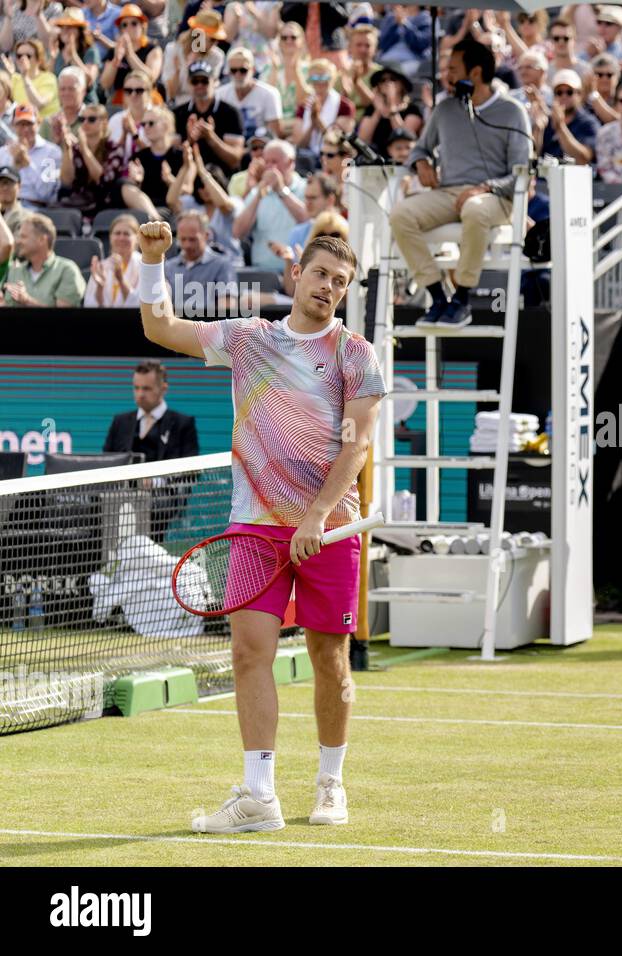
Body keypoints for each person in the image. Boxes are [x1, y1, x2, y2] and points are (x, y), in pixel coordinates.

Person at [136, 220, 386, 835]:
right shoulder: (249, 338)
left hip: (329, 529)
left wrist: (316, 515)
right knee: (250, 653)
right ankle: (258, 795)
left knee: (331, 660)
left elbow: (356, 446)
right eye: (321, 274)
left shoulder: (356, 354)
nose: (328, 287)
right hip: (252, 525)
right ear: (296, 275)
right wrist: (150, 260)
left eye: (340, 282)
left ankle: (331, 781)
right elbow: (159, 327)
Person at [391, 38, 530, 330]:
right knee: (401, 215)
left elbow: (522, 174)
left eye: (453, 69)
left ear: (476, 72)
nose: (446, 75)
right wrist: (422, 162)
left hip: (496, 197)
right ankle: (439, 295)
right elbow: (419, 149)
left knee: (475, 209)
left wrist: (485, 187)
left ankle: (463, 297)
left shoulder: (512, 111)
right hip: (450, 194)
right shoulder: (444, 109)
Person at [232, 138, 309, 271]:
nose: (270, 167)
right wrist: (257, 196)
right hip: (262, 271)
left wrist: (281, 190)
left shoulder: (306, 188)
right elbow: (238, 232)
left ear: (290, 163)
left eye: (275, 162)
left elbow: (307, 220)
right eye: (266, 162)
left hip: (298, 271)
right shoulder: (257, 192)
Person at [103, 360, 200, 461]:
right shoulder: (119, 422)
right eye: (136, 388)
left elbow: (191, 470)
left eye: (146, 388)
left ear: (163, 389)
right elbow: (105, 463)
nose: (140, 394)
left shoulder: (183, 424)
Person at [167, 143, 243, 258]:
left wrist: (203, 172)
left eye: (209, 185)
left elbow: (224, 205)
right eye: (201, 186)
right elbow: (171, 201)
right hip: (196, 266)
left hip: (229, 264)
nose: (205, 190)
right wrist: (185, 167)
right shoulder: (191, 203)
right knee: (178, 275)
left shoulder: (233, 201)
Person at [174, 61, 246, 177]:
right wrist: (190, 140)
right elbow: (172, 157)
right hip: (188, 177)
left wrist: (211, 138)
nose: (199, 85)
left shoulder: (230, 113)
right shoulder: (178, 113)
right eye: (195, 81)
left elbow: (235, 160)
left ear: (215, 82)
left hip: (222, 178)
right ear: (188, 84)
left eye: (204, 81)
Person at [165, 208, 239, 315]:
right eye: (183, 239)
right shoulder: (168, 267)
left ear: (206, 235)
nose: (187, 245)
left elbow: (227, 310)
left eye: (192, 239)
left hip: (208, 329)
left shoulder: (223, 266)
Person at [2, 213, 85, 305]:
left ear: (42, 239)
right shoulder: (15, 271)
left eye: (24, 237)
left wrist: (27, 301)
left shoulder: (67, 270)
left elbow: (63, 317)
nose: (18, 241)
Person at [216, 46, 285, 143]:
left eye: (243, 70)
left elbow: (275, 134)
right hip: (230, 147)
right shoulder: (220, 94)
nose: (238, 75)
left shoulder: (269, 94)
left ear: (253, 70)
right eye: (233, 70)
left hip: (259, 148)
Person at [98, 4, 162, 107]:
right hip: (121, 102)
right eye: (124, 25)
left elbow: (151, 78)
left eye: (134, 23)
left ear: (142, 25)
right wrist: (116, 59)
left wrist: (130, 54)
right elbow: (105, 83)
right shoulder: (115, 51)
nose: (129, 27)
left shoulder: (152, 48)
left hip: (147, 99)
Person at [356, 65, 423, 161]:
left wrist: (392, 106)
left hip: (402, 161)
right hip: (376, 161)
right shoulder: (372, 109)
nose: (387, 83)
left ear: (402, 84)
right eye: (383, 80)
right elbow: (363, 140)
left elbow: (404, 138)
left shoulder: (412, 109)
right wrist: (378, 111)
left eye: (393, 79)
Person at [0, 103, 61, 206]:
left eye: (29, 124)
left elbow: (46, 194)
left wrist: (28, 165)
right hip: (5, 207)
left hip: (34, 207)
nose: (25, 129)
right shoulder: (3, 152)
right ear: (13, 126)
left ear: (39, 123)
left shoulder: (52, 152)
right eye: (20, 124)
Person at [292, 59, 355, 158]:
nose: (320, 82)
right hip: (307, 156)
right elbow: (299, 145)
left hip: (333, 156)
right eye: (315, 78)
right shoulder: (304, 105)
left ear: (333, 78)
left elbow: (337, 142)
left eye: (325, 77)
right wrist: (312, 125)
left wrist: (318, 121)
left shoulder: (345, 106)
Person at [128, 105, 184, 214]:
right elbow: (135, 193)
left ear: (166, 125)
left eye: (151, 123)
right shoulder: (138, 157)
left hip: (172, 210)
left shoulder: (180, 156)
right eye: (143, 124)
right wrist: (137, 182)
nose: (146, 127)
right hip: (144, 211)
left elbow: (188, 193)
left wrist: (169, 180)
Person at [538, 68, 599, 164]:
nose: (564, 96)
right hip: (545, 176)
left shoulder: (589, 122)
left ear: (579, 94)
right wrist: (538, 128)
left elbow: (584, 158)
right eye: (559, 92)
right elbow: (536, 155)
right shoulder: (547, 121)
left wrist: (560, 127)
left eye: (569, 92)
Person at [49, 8, 103, 96]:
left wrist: (74, 56)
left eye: (70, 27)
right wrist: (52, 58)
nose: (65, 31)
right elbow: (49, 80)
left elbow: (89, 80)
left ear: (79, 31)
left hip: (85, 103)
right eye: (63, 27)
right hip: (61, 102)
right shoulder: (57, 50)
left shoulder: (90, 51)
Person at [5, 38, 57, 119]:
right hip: (20, 126)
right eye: (19, 56)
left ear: (39, 59)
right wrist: (8, 76)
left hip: (43, 127)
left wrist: (25, 77)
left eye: (28, 56)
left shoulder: (49, 78)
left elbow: (37, 105)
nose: (22, 59)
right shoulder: (14, 78)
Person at [546, 17, 592, 85]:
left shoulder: (586, 71)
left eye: (566, 38)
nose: (561, 42)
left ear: (574, 40)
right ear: (551, 41)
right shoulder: (546, 72)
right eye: (556, 38)